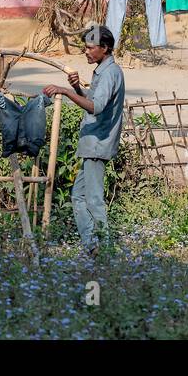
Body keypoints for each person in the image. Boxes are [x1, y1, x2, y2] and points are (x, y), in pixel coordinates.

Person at [43, 24, 125, 254]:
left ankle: (104, 251)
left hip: (98, 144)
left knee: (94, 200)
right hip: (91, 144)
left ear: (105, 48)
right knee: (78, 196)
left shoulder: (110, 73)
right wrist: (77, 87)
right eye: (85, 47)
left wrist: (66, 92)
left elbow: (96, 107)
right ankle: (92, 247)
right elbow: (94, 100)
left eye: (90, 48)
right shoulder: (104, 70)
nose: (86, 52)